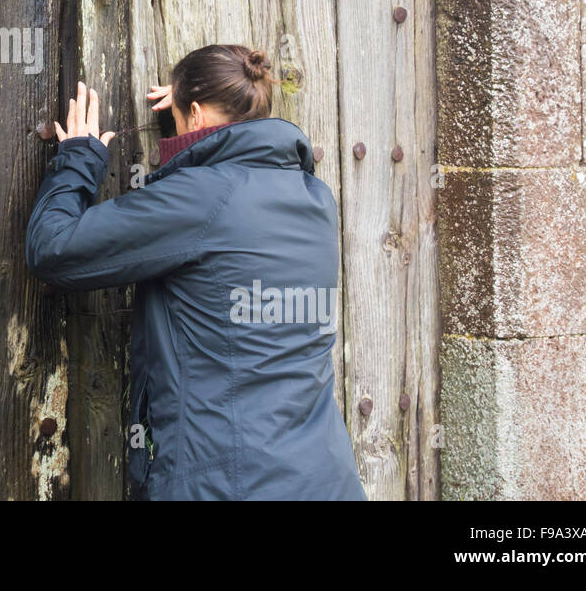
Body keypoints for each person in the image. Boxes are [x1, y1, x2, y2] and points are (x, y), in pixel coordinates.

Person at [25, 44, 366, 501]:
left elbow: (52, 249)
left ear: (199, 115)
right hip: (326, 478)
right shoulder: (314, 197)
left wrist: (80, 159)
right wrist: (194, 109)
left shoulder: (200, 199)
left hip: (233, 486)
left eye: (184, 116)